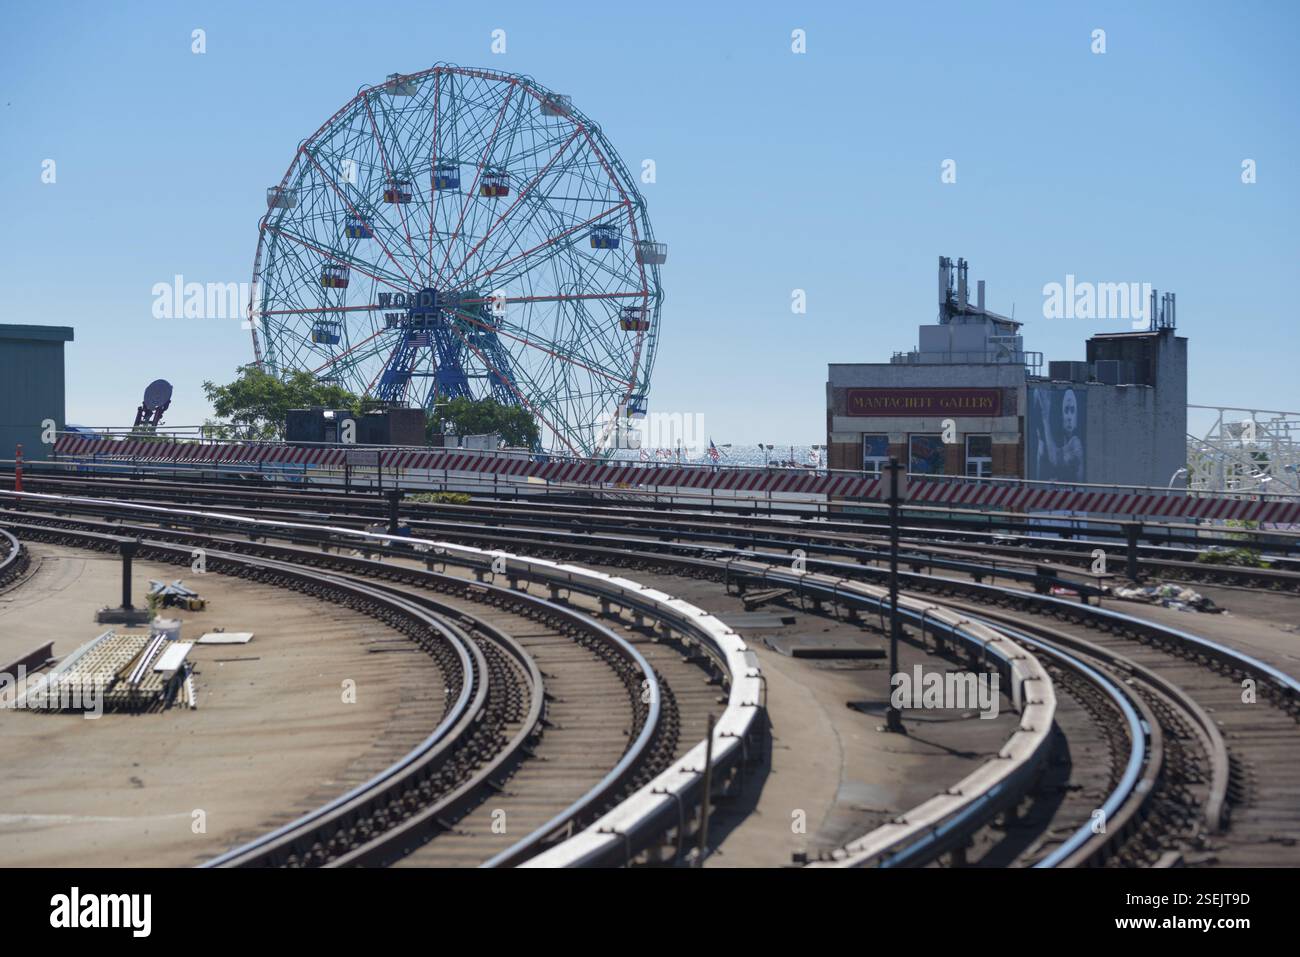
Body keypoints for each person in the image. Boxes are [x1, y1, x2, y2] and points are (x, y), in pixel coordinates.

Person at [1034, 388, 1084, 482]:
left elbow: (1055, 459)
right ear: (1062, 415)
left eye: (1072, 410)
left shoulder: (1076, 443)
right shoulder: (1064, 442)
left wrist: (1045, 417)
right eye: (1066, 410)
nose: (1069, 417)